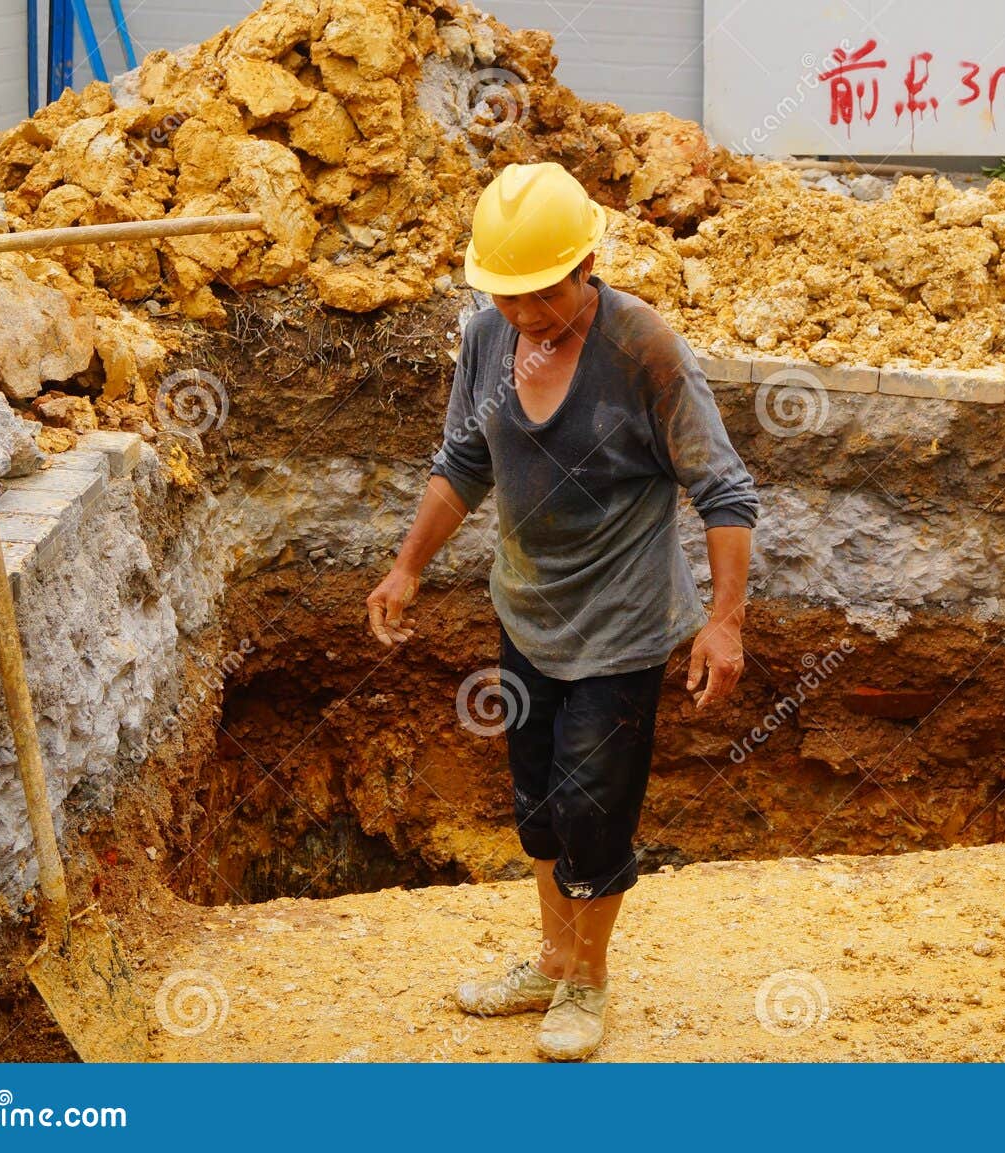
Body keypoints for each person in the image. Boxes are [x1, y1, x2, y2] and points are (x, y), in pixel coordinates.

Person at [365, 161, 759, 1061]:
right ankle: (550, 960)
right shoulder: (487, 339)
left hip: (621, 627)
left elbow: (724, 489)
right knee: (537, 807)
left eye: (541, 294)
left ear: (588, 264)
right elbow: (463, 460)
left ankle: (588, 981)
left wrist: (725, 620)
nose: (525, 315)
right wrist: (406, 569)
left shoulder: (643, 348)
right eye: (506, 296)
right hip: (526, 612)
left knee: (593, 812)